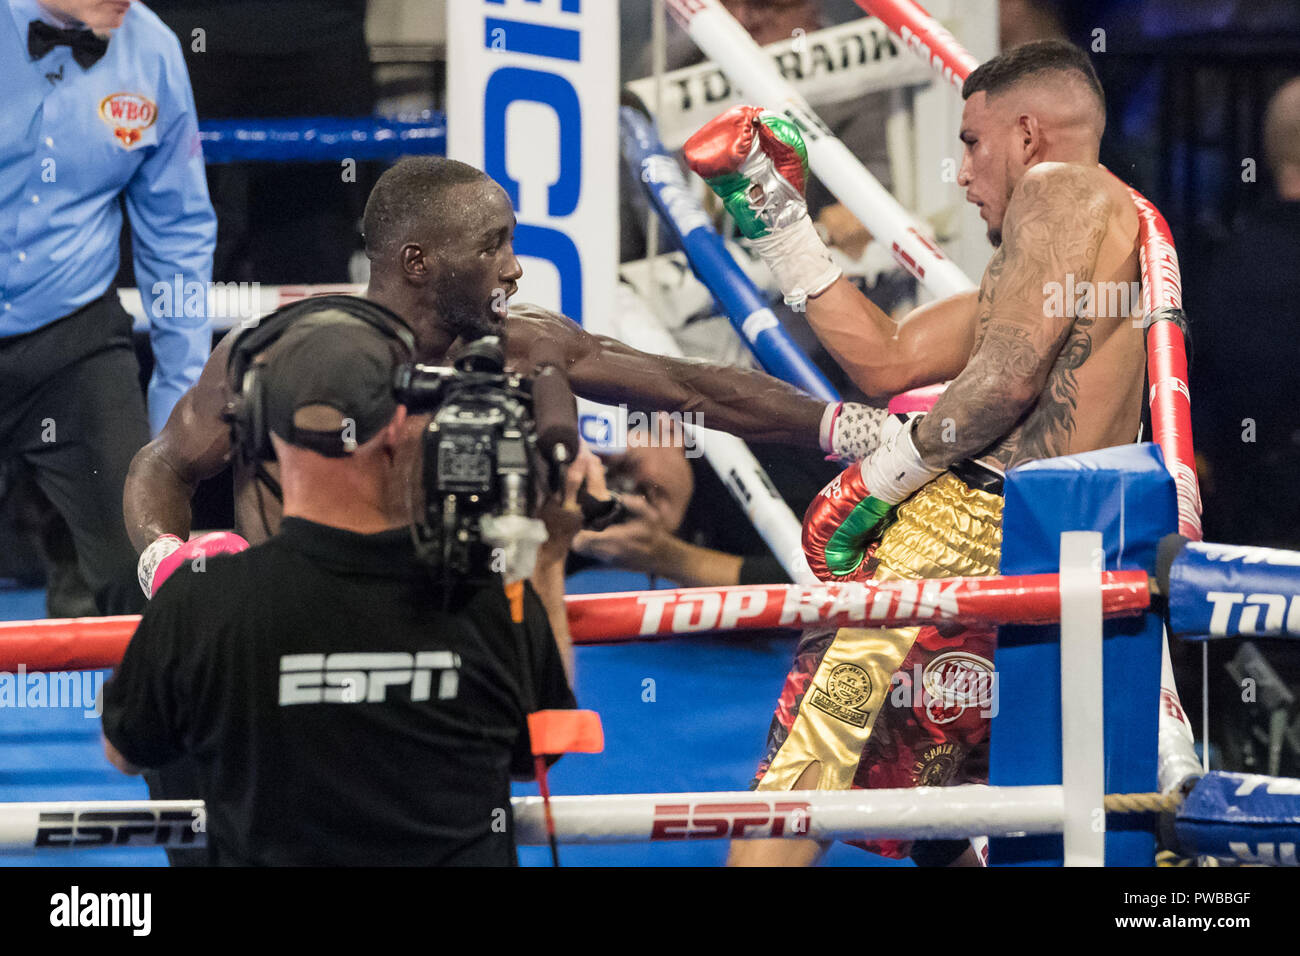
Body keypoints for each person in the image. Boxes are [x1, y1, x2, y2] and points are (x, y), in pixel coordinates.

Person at [686, 39, 1149, 866]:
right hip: (1051, 551)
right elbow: (889, 359)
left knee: (798, 781)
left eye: (972, 143)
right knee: (952, 811)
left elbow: (1003, 383)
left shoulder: (1059, 188)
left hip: (951, 546)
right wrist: (781, 225)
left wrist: (876, 479)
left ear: (1029, 134)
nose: (963, 174)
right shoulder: (1099, 241)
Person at [125, 155, 887, 586]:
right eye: (491, 246)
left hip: (442, 639)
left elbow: (691, 388)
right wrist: (165, 559)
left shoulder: (525, 345)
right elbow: (162, 464)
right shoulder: (276, 352)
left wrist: (868, 432)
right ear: (417, 262)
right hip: (294, 634)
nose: (515, 267)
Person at [101, 306, 580, 865]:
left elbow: (126, 748)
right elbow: (545, 745)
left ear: (259, 433)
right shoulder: (478, 595)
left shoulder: (202, 603)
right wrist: (545, 561)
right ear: (400, 425)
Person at [1, 0, 215, 614]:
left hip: (71, 338)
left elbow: (177, 228)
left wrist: (179, 399)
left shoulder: (153, 49)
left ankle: (142, 710)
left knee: (144, 559)